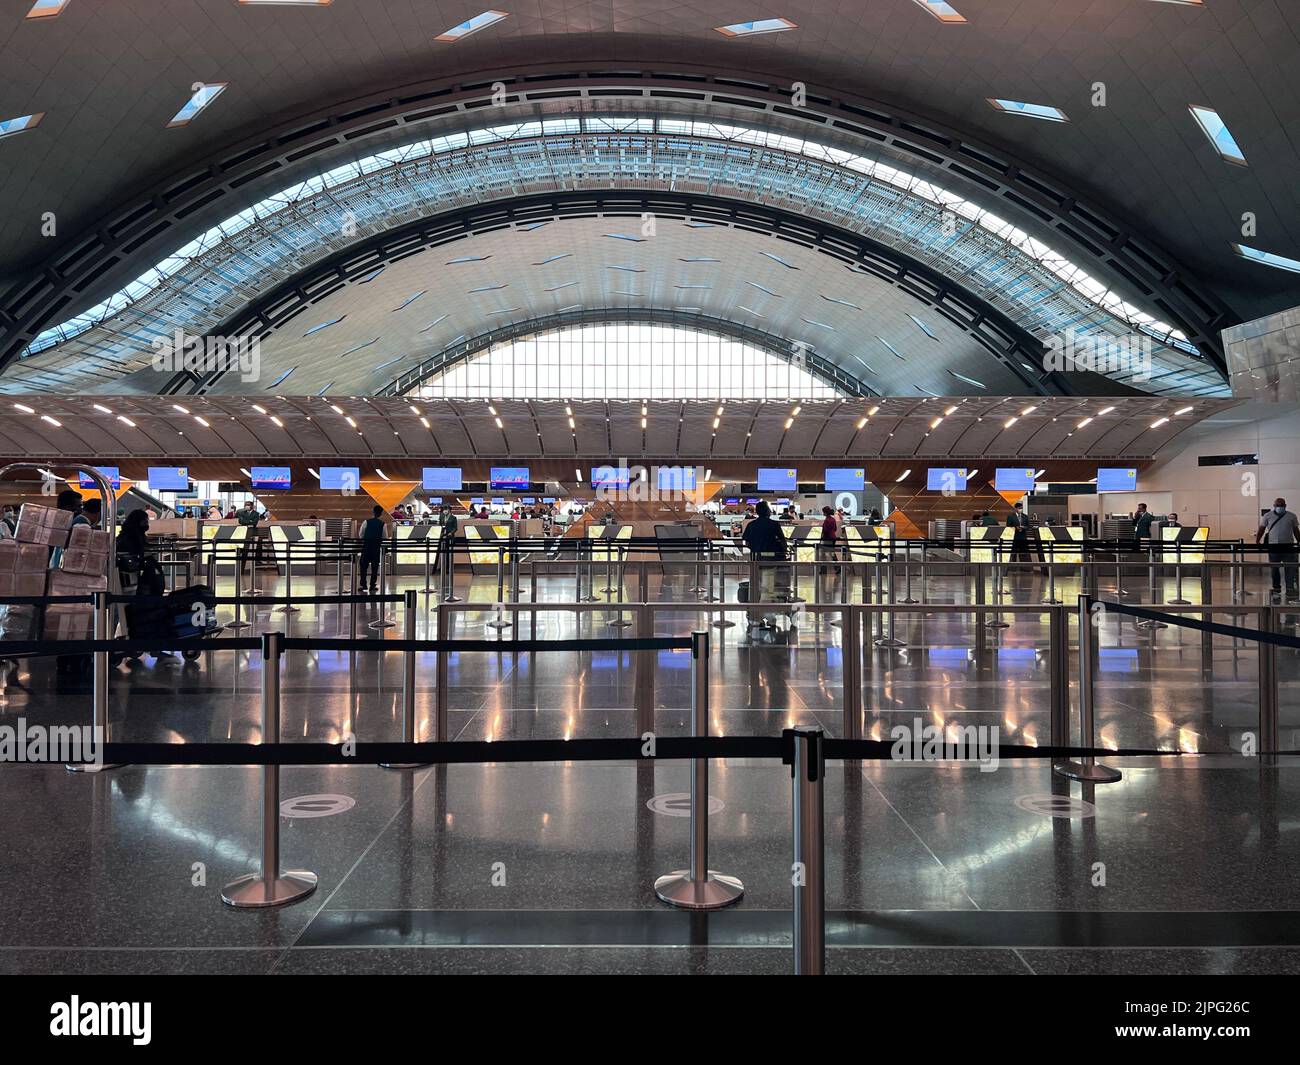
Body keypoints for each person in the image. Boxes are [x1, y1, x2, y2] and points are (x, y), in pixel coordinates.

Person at [742, 500, 788, 602]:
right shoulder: (774, 524)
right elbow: (782, 540)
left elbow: (747, 543)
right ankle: (767, 604)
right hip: (771, 559)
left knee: (757, 581)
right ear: (767, 511)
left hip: (755, 558)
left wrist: (756, 549)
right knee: (769, 581)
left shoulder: (751, 525)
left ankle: (756, 602)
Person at [1257, 498, 1299, 602]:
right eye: (1277, 504)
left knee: (1289, 568)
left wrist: (1299, 541)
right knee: (1274, 568)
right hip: (1273, 546)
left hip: (1288, 545)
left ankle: (1289, 589)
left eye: (1281, 504)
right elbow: (1261, 529)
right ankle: (1276, 588)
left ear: (1285, 505)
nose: (1279, 506)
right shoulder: (1268, 516)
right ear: (1274, 505)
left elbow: (1296, 530)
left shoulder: (1292, 516)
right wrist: (1257, 540)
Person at [360, 505, 387, 594]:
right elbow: (384, 537)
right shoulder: (383, 524)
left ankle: (363, 585)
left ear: (373, 512)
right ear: (381, 514)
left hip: (366, 547)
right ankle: (372, 585)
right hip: (376, 548)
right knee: (374, 567)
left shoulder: (366, 522)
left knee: (363, 566)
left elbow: (361, 535)